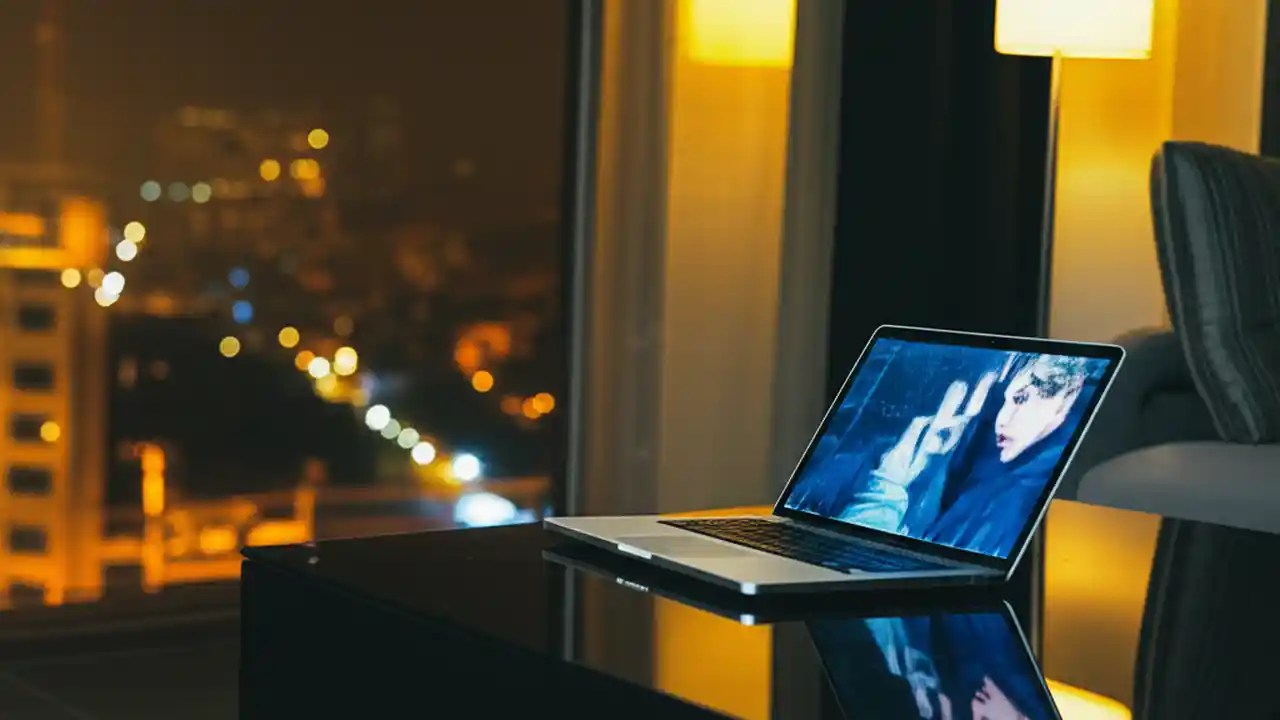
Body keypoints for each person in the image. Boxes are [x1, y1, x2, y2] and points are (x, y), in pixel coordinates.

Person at [838, 353, 1094, 556]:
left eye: (1020, 399)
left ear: (1068, 398)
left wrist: (885, 489)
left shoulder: (1013, 499)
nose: (1001, 420)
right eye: (1004, 401)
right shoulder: (970, 475)